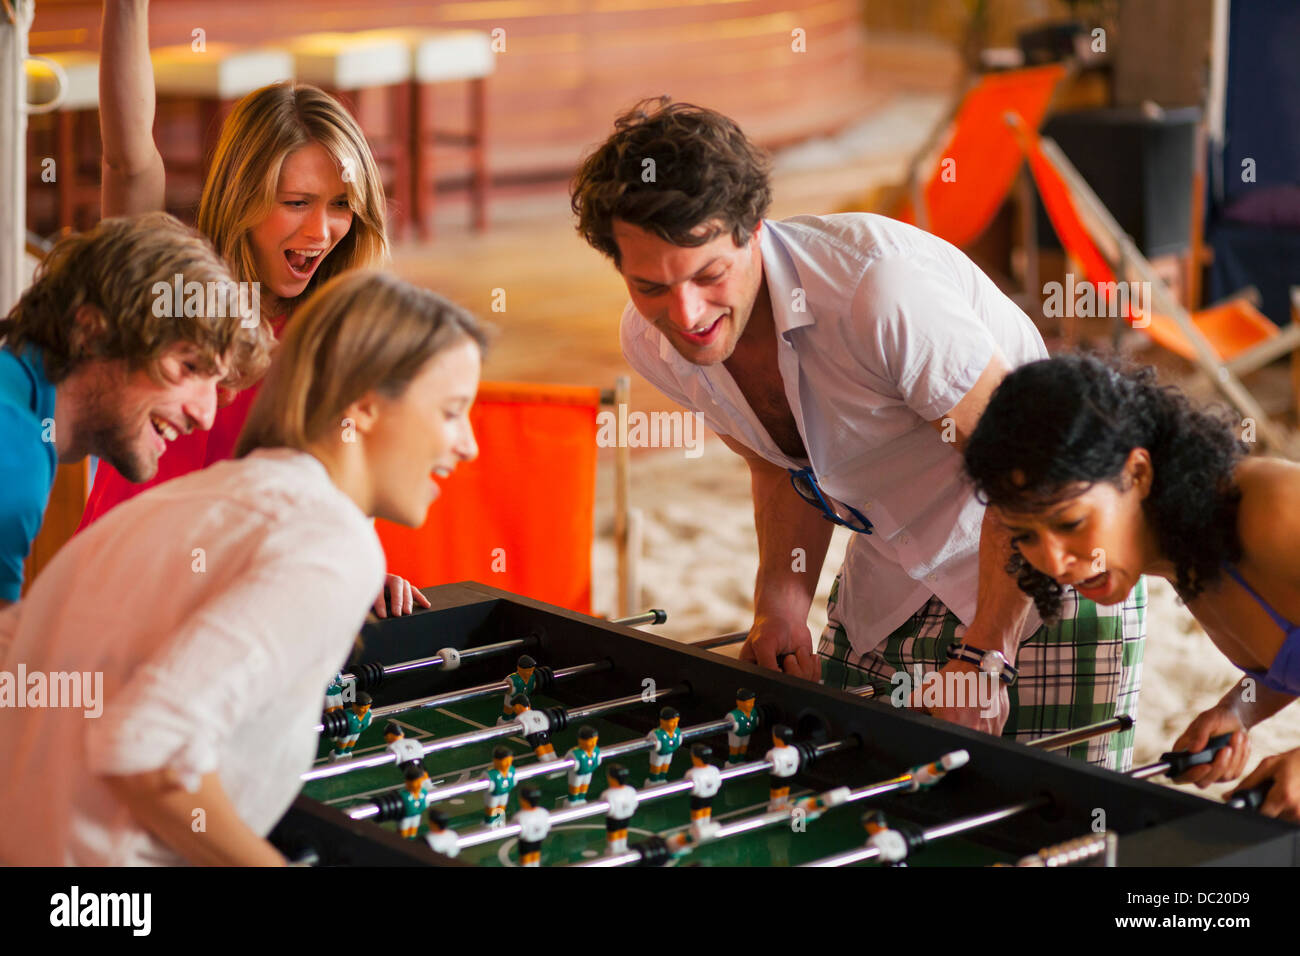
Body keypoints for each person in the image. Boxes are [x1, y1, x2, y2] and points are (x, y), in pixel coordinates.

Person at [570, 98, 1146, 768]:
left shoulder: (878, 294)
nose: (687, 314)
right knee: (856, 798)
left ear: (754, 230)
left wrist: (986, 653)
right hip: (890, 574)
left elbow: (1029, 480)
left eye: (709, 276)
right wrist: (780, 604)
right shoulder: (652, 343)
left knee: (1050, 828)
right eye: (650, 287)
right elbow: (780, 464)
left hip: (1049, 571)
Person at [0, 271, 486, 865]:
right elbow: (144, 747)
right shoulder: (334, 542)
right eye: (452, 411)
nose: (469, 445)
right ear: (363, 405)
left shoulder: (222, 495)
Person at [86, 1, 423, 617]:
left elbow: (333, 496)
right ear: (242, 194)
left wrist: (366, 568)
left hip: (239, 611)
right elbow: (127, 159)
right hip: (125, 599)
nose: (322, 231)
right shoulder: (172, 288)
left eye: (342, 205)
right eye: (296, 201)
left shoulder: (336, 330)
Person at [963, 353, 1300, 821]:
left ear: (1137, 473)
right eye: (1027, 536)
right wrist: (1238, 712)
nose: (1056, 562)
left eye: (1071, 522)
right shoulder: (1185, 551)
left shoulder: (1272, 509)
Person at [0, 212, 270, 606]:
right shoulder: (17, 456)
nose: (206, 415)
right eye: (188, 366)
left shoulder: (23, 416)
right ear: (92, 331)